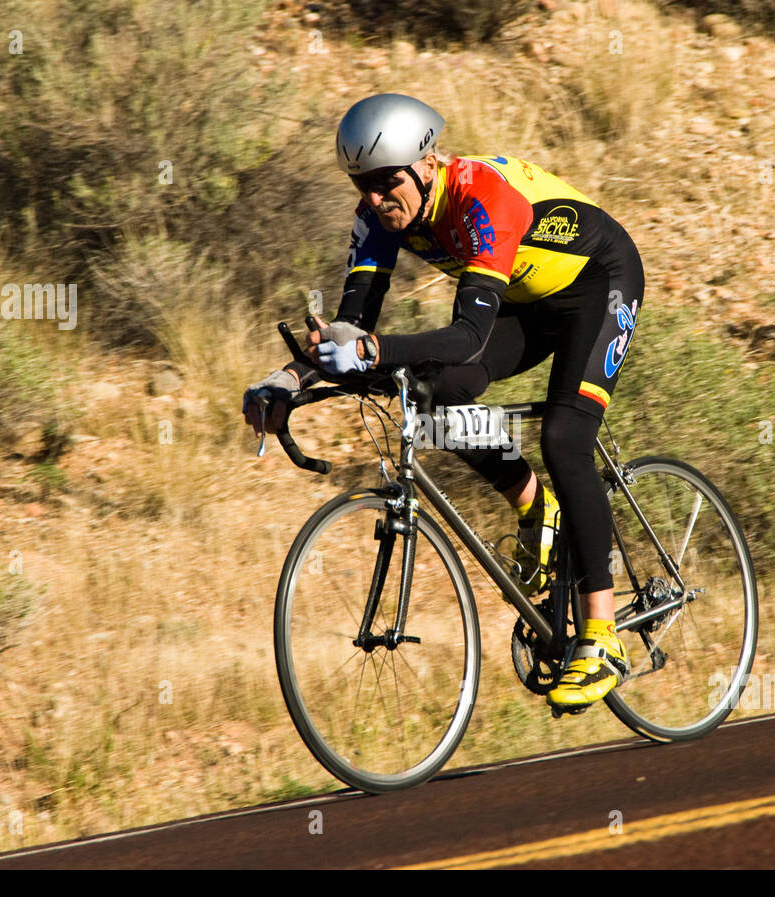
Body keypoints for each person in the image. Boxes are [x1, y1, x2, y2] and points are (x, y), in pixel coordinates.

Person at [245, 93, 645, 710]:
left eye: (386, 182)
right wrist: (287, 378)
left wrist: (376, 352)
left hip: (600, 282)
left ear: (426, 165)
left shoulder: (480, 197)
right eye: (363, 185)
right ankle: (537, 510)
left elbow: (468, 337)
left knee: (566, 439)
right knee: (428, 392)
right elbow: (351, 330)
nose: (377, 199)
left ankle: (603, 635)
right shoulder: (375, 219)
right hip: (527, 298)